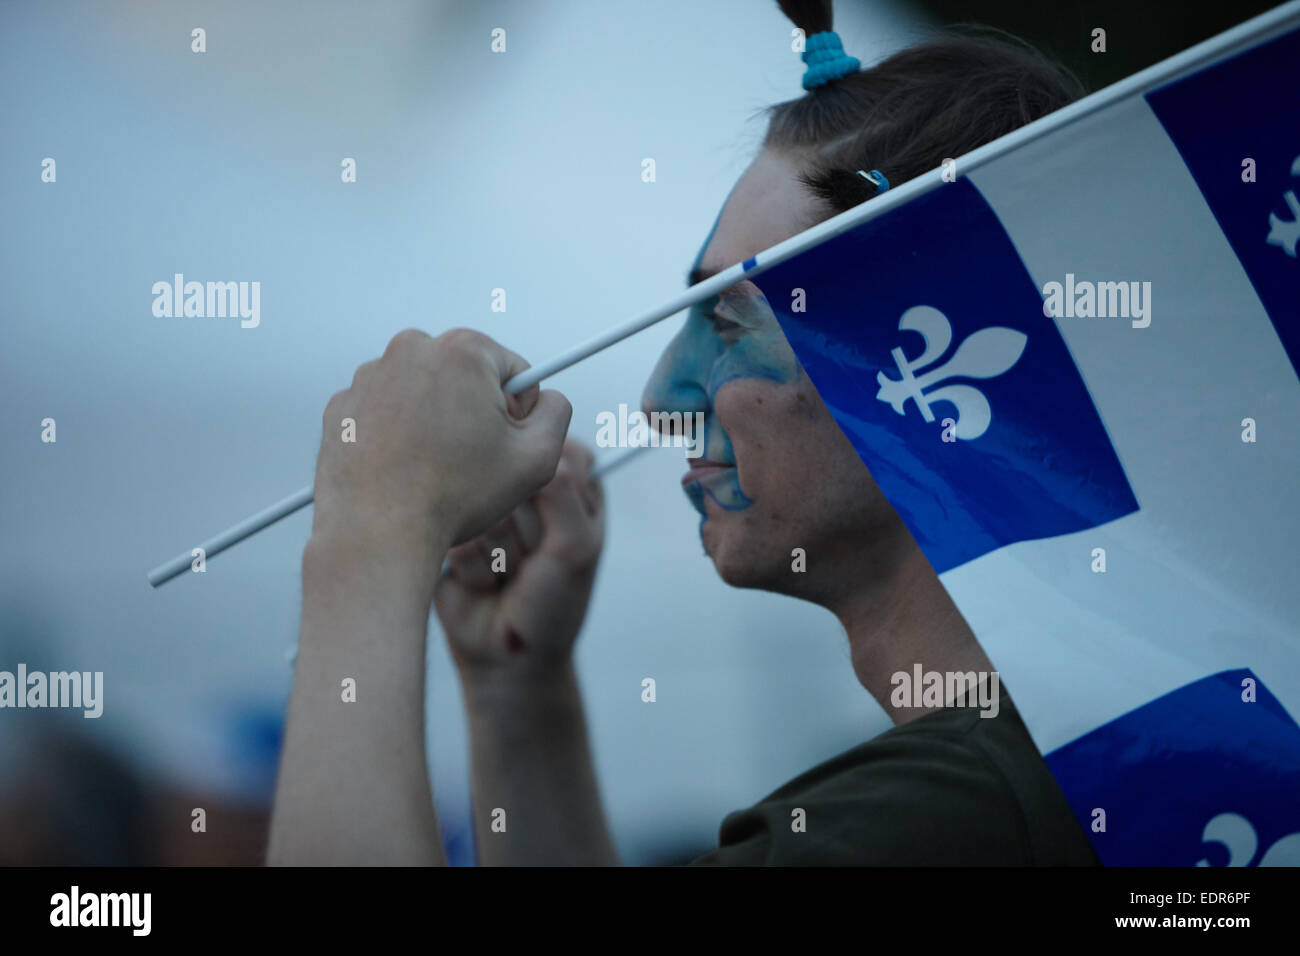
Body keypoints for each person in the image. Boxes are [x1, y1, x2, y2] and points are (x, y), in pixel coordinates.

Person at [268, 0, 1099, 865]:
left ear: (935, 372)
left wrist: (374, 530)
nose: (663, 400)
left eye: (732, 324)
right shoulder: (1063, 754)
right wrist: (518, 689)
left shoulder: (937, 820)